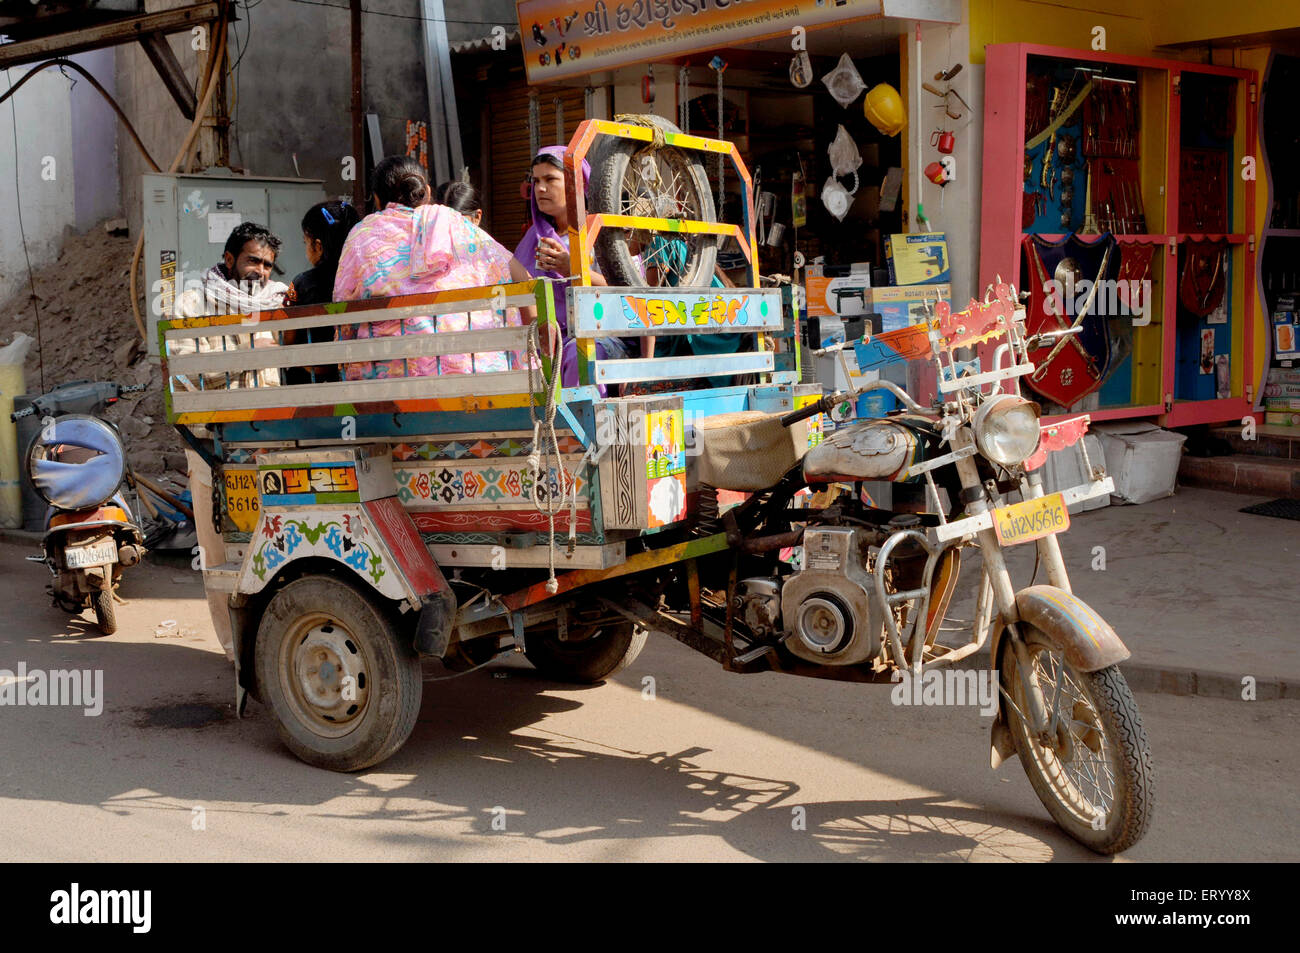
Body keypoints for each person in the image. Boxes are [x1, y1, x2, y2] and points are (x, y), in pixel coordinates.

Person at [333, 156, 535, 379]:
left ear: (378, 200)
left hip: (388, 375)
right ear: (427, 192)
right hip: (471, 369)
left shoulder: (363, 233)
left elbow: (342, 301)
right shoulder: (455, 224)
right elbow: (519, 274)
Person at [515, 147, 629, 389]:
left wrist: (573, 269)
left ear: (575, 184)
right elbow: (520, 288)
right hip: (548, 339)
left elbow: (626, 289)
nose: (540, 189)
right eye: (536, 181)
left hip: (599, 336)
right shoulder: (533, 239)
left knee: (578, 356)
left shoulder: (601, 231)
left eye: (550, 179)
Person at [174, 221, 288, 390]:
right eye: (253, 261)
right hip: (218, 414)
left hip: (269, 412)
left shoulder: (274, 303)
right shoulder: (191, 304)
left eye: (267, 265)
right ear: (229, 259)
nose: (260, 271)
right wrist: (247, 352)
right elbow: (184, 374)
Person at [283, 200, 360, 384]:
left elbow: (287, 336)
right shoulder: (362, 279)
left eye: (305, 243)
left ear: (318, 246)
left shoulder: (301, 283)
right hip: (353, 376)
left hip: (310, 379)